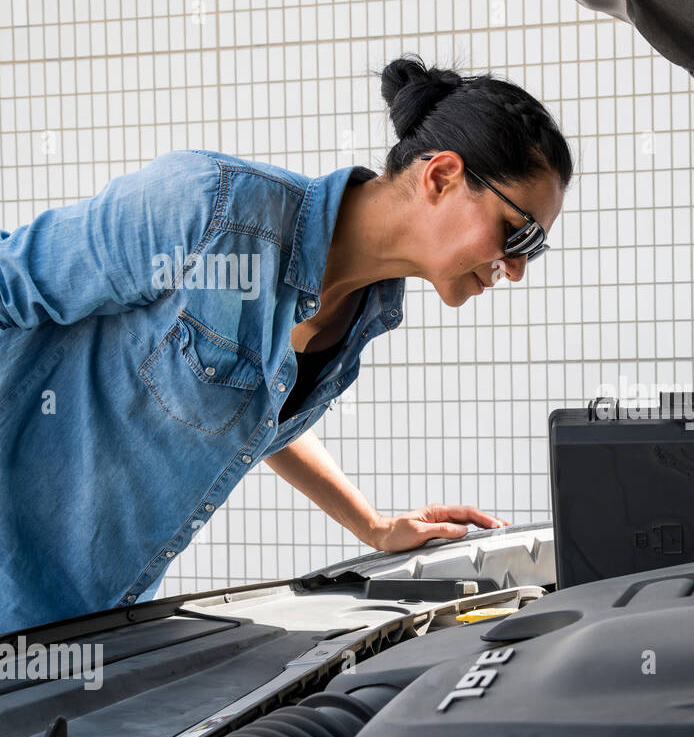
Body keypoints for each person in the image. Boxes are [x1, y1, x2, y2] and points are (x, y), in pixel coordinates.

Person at [0, 54, 572, 631]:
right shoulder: (208, 210)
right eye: (518, 233)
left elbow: (248, 405)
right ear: (441, 177)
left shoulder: (367, 310)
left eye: (535, 249)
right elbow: (8, 281)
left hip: (84, 617)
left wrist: (371, 526)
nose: (518, 268)